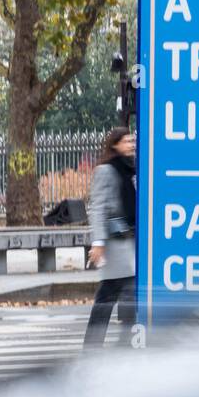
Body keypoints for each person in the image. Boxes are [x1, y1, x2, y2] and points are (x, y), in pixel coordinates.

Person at [85, 126, 138, 348]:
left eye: (133, 141)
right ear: (115, 144)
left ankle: (123, 342)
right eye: (127, 141)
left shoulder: (131, 170)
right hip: (114, 244)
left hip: (129, 242)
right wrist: (98, 242)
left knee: (127, 293)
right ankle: (93, 345)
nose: (132, 145)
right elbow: (97, 207)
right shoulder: (106, 170)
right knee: (108, 296)